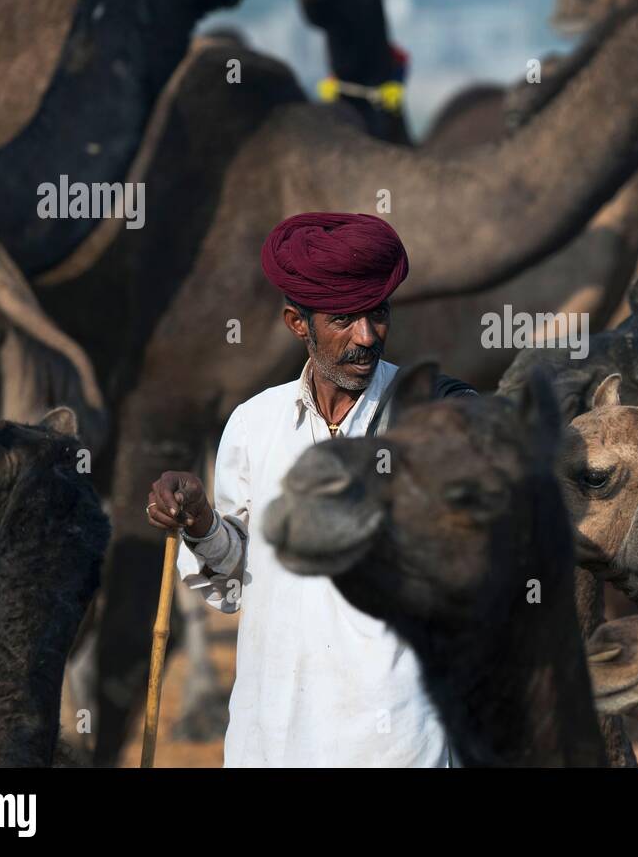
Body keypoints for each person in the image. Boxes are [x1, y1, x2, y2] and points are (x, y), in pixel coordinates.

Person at [146, 211, 475, 766]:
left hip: (395, 745)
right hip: (271, 740)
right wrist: (201, 523)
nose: (366, 337)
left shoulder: (437, 414)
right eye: (344, 319)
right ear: (297, 323)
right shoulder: (254, 425)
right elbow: (238, 584)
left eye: (379, 315)